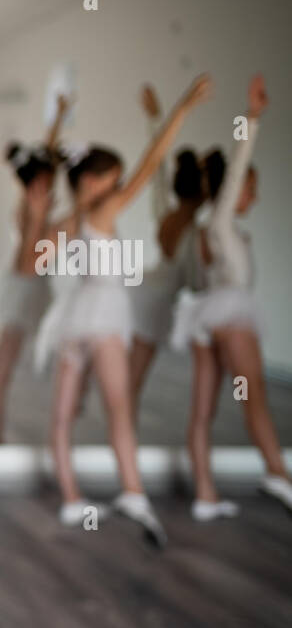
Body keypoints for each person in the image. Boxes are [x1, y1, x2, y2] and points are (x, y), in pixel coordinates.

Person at [30, 74, 211, 546]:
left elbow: (36, 259)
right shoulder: (103, 212)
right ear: (94, 181)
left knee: (63, 414)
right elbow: (152, 167)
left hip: (75, 316)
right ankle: (132, 491)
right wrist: (179, 111)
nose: (119, 186)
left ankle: (72, 499)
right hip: (106, 315)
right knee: (119, 408)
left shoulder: (67, 221)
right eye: (113, 179)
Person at [172, 74, 292, 520]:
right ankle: (278, 473)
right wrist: (252, 118)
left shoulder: (212, 228)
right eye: (250, 188)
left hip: (205, 322)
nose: (254, 196)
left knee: (203, 410)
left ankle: (205, 495)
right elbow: (239, 162)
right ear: (233, 188)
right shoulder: (221, 218)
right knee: (254, 399)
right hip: (229, 315)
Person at [0, 96, 67, 443]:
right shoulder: (28, 207)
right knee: (1, 365)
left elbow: (47, 156)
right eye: (46, 181)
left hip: (17, 285)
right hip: (19, 288)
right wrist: (40, 218)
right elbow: (29, 257)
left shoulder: (30, 196)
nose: (51, 188)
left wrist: (58, 120)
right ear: (33, 182)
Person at [127, 83, 206, 415]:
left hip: (141, 289)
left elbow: (156, 169)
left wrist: (155, 117)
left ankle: (118, 424)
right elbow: (196, 282)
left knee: (131, 368)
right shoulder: (197, 233)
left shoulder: (165, 211)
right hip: (158, 301)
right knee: (135, 376)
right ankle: (123, 432)